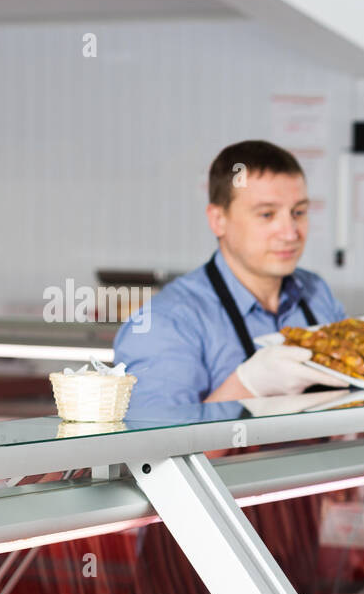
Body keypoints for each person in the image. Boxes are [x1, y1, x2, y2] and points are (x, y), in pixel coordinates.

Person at [114, 140, 348, 407]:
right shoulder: (165, 323)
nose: (290, 233)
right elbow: (157, 447)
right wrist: (247, 385)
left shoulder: (316, 293)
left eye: (299, 212)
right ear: (218, 220)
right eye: (267, 214)